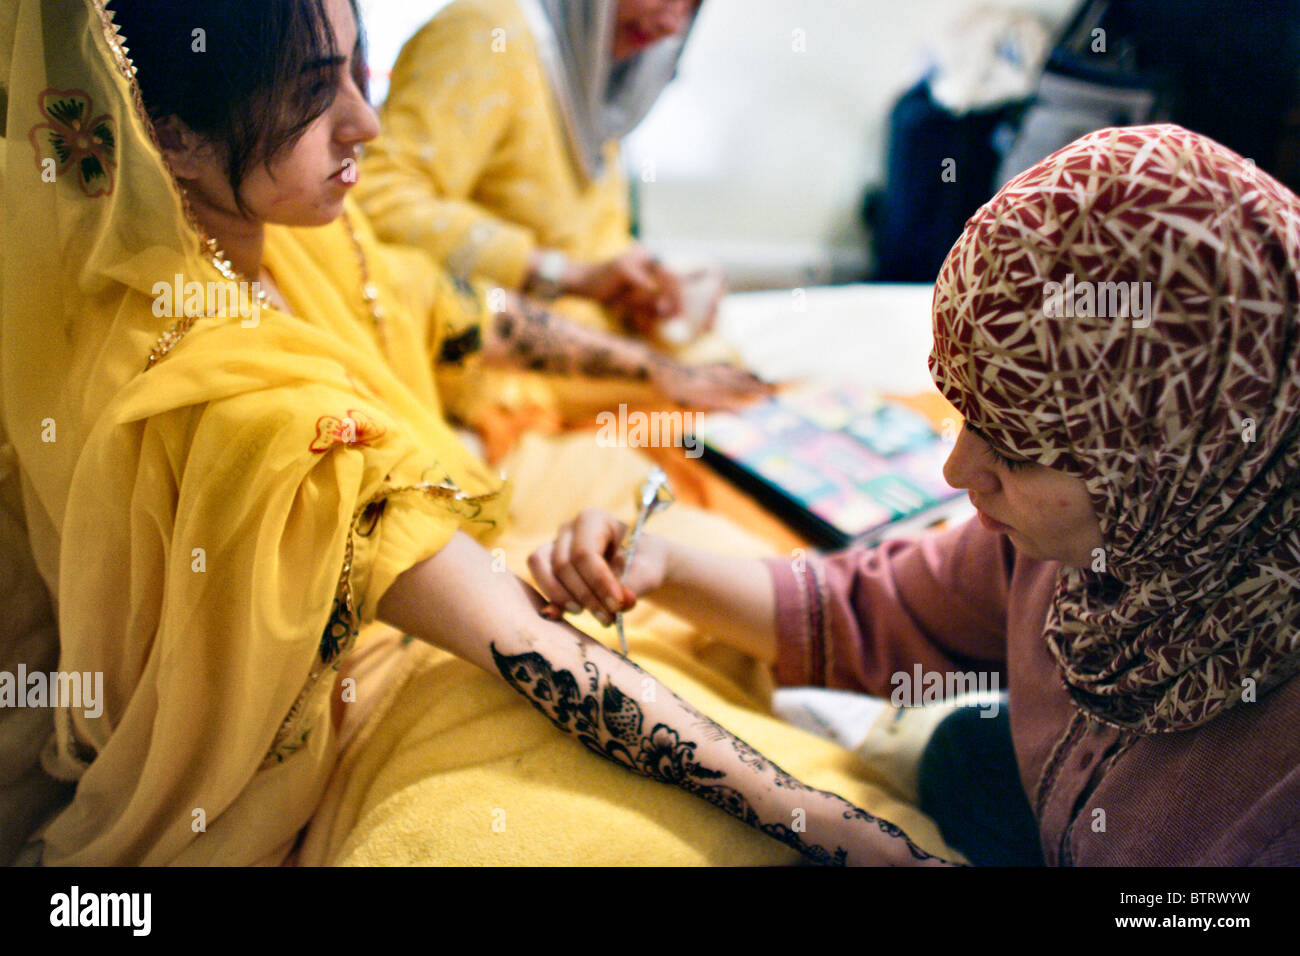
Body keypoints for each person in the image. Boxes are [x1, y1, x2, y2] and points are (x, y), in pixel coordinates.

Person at [1, 0, 955, 866]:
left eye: (355, 67)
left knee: (683, 541)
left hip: (445, 600)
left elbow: (457, 312)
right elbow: (518, 639)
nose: (366, 122)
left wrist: (665, 374)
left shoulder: (290, 237)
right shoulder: (244, 400)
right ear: (169, 138)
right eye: (310, 94)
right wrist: (826, 825)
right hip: (348, 704)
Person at [530, 124, 1300, 865]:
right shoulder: (1087, 541)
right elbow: (871, 606)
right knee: (960, 757)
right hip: (1043, 798)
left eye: (1016, 449)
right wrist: (661, 563)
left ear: (1179, 459)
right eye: (967, 414)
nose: (957, 471)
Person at [354, 0, 718, 441]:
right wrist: (557, 274)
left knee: (730, 387)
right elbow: (377, 201)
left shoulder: (592, 70)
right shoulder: (486, 31)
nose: (670, 23)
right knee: (717, 400)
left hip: (579, 356)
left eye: (692, 6)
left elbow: (591, 235)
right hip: (493, 364)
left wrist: (645, 287)